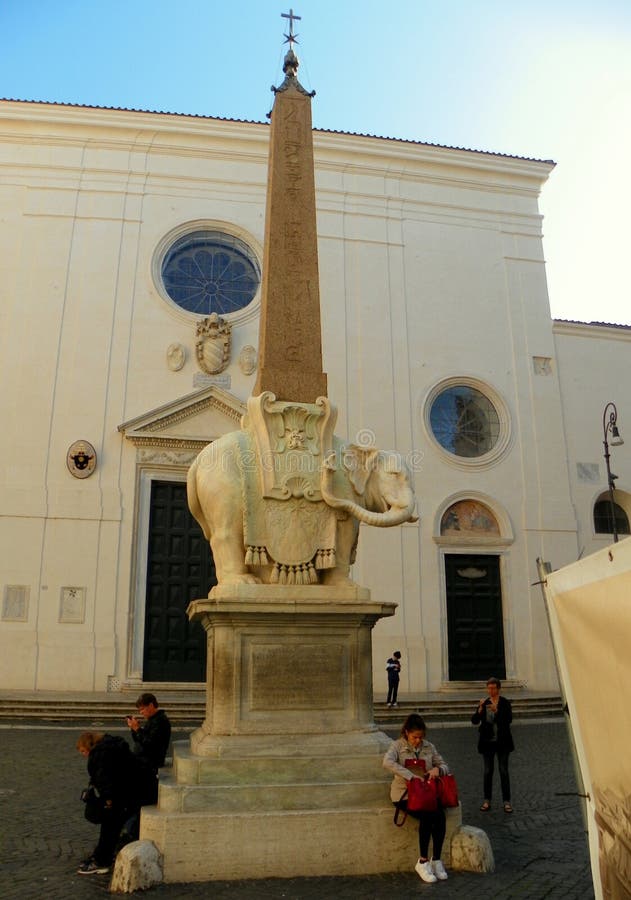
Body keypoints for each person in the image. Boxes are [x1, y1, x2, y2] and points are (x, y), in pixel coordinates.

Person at [383, 713, 450, 883]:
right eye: (414, 737)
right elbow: (387, 762)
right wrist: (411, 776)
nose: (418, 741)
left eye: (420, 737)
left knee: (440, 816)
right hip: (403, 795)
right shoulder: (397, 746)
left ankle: (436, 860)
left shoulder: (429, 747)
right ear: (406, 732)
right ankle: (422, 861)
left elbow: (444, 765)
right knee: (427, 815)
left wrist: (438, 770)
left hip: (425, 794)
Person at [76, 731, 141, 875]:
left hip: (123, 795)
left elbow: (106, 781)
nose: (83, 754)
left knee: (110, 827)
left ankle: (101, 861)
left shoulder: (100, 756)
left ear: (89, 747)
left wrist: (107, 800)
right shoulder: (111, 748)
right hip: (131, 791)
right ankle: (101, 856)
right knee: (111, 827)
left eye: (83, 751)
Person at [471, 676, 515, 813]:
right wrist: (479, 710)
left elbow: (508, 720)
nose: (490, 690)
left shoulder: (505, 703)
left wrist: (497, 711)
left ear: (498, 688)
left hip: (502, 742)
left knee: (503, 771)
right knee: (488, 771)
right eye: (488, 688)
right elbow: (474, 721)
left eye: (493, 688)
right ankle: (487, 800)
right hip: (487, 743)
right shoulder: (484, 703)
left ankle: (506, 801)